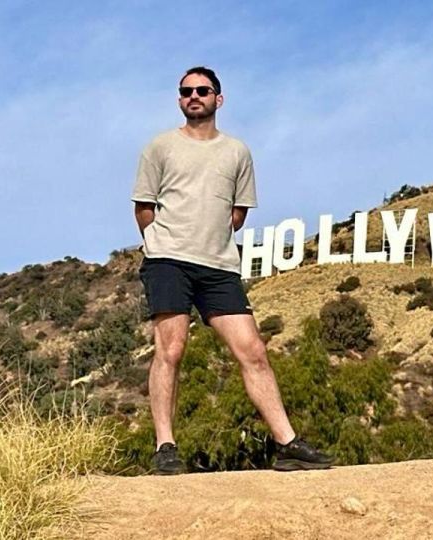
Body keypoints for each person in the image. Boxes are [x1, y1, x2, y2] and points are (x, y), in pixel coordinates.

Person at [131, 66, 333, 474]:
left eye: (202, 90)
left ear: (217, 99)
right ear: (179, 99)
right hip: (168, 260)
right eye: (186, 91)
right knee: (170, 350)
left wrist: (208, 239)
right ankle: (165, 447)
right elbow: (144, 207)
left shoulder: (237, 152)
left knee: (253, 351)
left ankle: (286, 443)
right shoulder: (160, 147)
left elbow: (237, 213)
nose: (194, 96)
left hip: (219, 265)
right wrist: (163, 245)